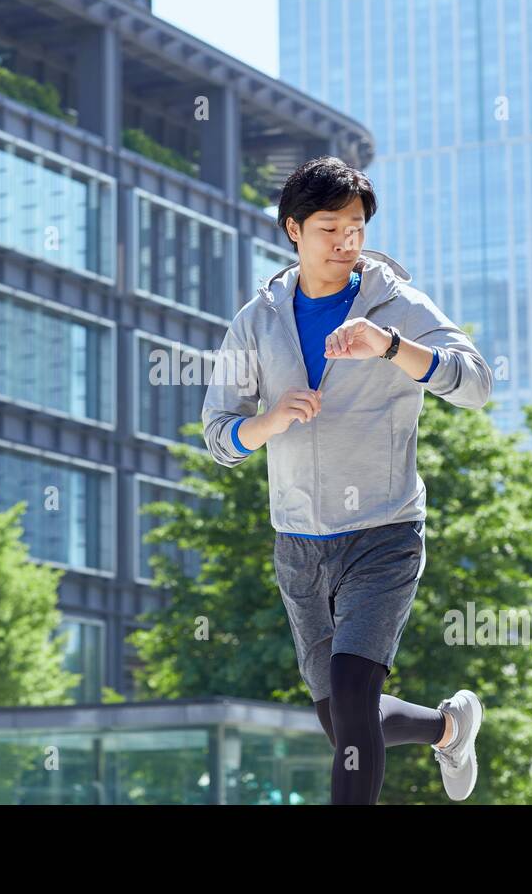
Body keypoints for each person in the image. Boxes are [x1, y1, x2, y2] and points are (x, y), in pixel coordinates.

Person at [200, 156, 493, 804]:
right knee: (343, 722)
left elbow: (477, 384)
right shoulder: (256, 320)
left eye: (355, 227)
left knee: (356, 698)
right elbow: (218, 435)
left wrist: (391, 347)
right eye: (329, 228)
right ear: (292, 230)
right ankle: (449, 728)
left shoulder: (396, 305)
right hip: (298, 543)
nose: (345, 242)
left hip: (384, 531)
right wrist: (268, 422)